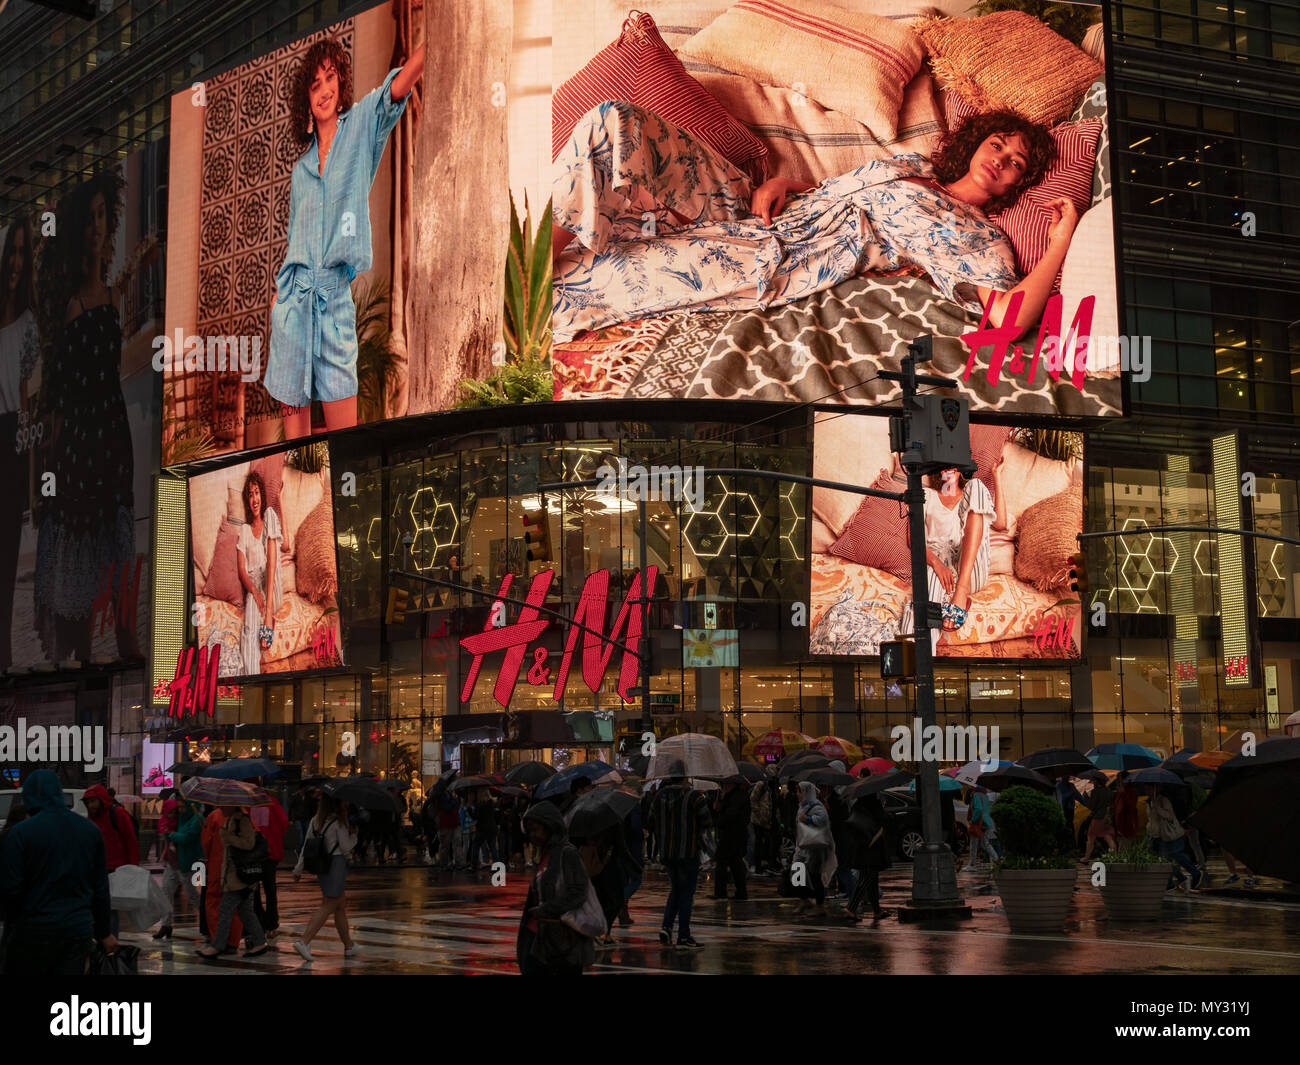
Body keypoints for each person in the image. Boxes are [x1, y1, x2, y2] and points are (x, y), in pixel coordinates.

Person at [554, 103, 1072, 346]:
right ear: (978, 143)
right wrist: (787, 181)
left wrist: (1059, 242)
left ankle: (521, 285)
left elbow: (1008, 320)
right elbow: (842, 187)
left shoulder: (980, 239)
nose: (1002, 160)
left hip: (778, 254)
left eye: (1017, 164)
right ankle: (533, 252)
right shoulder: (917, 165)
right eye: (998, 144)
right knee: (612, 122)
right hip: (750, 204)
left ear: (1015, 187)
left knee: (593, 273)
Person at [267, 36, 425, 438]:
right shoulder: (300, 171)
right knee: (295, 451)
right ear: (307, 96)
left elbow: (400, 86)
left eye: (330, 77)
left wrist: (433, 42)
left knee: (344, 445)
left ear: (342, 83)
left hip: (334, 302)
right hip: (292, 306)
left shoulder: (360, 128)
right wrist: (278, 302)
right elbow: (293, 241)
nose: (324, 89)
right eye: (315, 83)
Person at [34, 169, 152, 663]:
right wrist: (49, 477)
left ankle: (128, 653)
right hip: (79, 451)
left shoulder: (109, 294)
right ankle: (81, 669)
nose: (97, 227)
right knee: (80, 576)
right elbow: (56, 399)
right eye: (89, 218)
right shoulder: (68, 304)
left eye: (104, 216)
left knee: (119, 551)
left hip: (113, 441)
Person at [0, 770, 115, 975]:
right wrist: (104, 932)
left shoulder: (20, 833)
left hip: (32, 931)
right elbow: (100, 888)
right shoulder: (89, 831)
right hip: (75, 931)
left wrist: (13, 925)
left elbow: (10, 889)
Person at [899, 454, 1006, 650]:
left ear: (961, 470)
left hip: (970, 566)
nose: (949, 469)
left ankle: (961, 592)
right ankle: (915, 661)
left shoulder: (972, 494)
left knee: (977, 485)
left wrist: (996, 476)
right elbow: (913, 539)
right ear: (938, 471)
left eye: (954, 466)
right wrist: (936, 563)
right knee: (927, 588)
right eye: (944, 466)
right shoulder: (926, 495)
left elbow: (1001, 523)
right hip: (938, 563)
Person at [0, 217, 37, 671]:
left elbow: (26, 396)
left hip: (9, 434)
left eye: (23, 254)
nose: (15, 261)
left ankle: (4, 650)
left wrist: (29, 474)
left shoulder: (28, 325)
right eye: (12, 251)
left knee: (7, 549)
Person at [516, 803, 595, 976]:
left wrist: (547, 909)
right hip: (536, 934)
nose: (532, 835)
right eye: (529, 831)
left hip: (558, 939)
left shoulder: (568, 854)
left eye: (536, 830)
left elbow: (578, 892)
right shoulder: (545, 853)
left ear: (550, 827)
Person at [647, 763, 713, 949]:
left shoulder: (659, 796)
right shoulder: (694, 797)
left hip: (667, 853)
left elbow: (650, 821)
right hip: (688, 852)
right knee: (686, 893)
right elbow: (707, 821)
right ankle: (683, 935)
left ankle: (667, 927)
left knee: (676, 889)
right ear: (685, 777)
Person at [196, 804, 268, 959]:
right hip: (233, 874)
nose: (220, 808)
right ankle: (259, 942)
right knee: (244, 911)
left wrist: (228, 838)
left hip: (238, 875)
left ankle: (218, 945)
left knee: (224, 909)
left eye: (223, 805)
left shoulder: (242, 820)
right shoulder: (231, 820)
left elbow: (249, 844)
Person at [292, 794, 359, 960]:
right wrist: (354, 835)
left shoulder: (316, 820)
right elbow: (345, 847)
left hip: (321, 865)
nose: (345, 803)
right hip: (336, 864)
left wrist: (298, 869)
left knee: (340, 905)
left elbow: (306, 845)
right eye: (343, 800)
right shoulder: (338, 822)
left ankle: (348, 945)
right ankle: (304, 941)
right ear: (338, 803)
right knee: (330, 904)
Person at [235, 471, 282, 675]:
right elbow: (241, 570)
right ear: (247, 500)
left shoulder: (269, 517)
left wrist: (280, 500)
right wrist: (254, 591)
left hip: (273, 585)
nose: (254, 499)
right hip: (256, 587)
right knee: (248, 629)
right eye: (250, 495)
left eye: (257, 493)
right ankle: (251, 678)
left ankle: (269, 615)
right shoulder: (244, 530)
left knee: (272, 513)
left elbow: (285, 544)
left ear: (262, 495)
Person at [156, 796, 203, 939]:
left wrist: (171, 835)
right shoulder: (181, 819)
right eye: (179, 808)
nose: (180, 811)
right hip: (173, 862)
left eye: (182, 808)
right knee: (166, 892)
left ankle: (207, 919)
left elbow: (185, 837)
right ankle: (166, 925)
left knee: (191, 893)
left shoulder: (196, 819)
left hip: (187, 862)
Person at [843, 794, 892, 922]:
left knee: (872, 878)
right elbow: (883, 819)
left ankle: (877, 910)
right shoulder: (873, 803)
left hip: (862, 844)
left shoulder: (858, 804)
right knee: (866, 877)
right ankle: (851, 908)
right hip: (872, 845)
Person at [249, 786, 289, 940]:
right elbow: (284, 822)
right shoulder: (272, 802)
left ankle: (259, 922)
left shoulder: (249, 805)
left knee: (255, 892)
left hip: (254, 853)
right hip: (271, 852)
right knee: (270, 890)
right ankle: (272, 924)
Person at [201, 805, 242, 952]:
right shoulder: (243, 815)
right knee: (235, 905)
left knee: (213, 903)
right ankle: (233, 941)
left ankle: (218, 940)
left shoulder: (214, 816)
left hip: (217, 866)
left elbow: (206, 843)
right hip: (237, 868)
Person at [793, 781, 837, 915]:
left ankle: (819, 905)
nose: (798, 794)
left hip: (815, 847)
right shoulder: (802, 806)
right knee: (797, 873)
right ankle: (804, 899)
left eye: (800, 791)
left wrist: (808, 819)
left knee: (814, 875)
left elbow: (823, 819)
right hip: (803, 846)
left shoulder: (816, 805)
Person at [1146, 786, 1201, 891]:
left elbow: (1169, 816)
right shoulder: (1149, 802)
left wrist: (1157, 808)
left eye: (1149, 788)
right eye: (1146, 789)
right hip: (1155, 836)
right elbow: (1151, 819)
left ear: (1156, 789)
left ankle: (1191, 874)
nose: (1147, 791)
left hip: (1166, 835)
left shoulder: (1163, 800)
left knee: (1170, 859)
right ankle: (1174, 881)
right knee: (1165, 860)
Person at [712, 777, 750, 901]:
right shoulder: (732, 795)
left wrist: (720, 815)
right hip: (732, 834)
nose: (723, 786)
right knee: (734, 863)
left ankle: (722, 892)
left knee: (724, 862)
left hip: (733, 834)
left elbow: (731, 814)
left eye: (725, 783)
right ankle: (740, 892)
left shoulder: (738, 796)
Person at [1079, 778, 1116, 862]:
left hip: (1098, 818)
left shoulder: (1096, 792)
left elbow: (1092, 806)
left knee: (1090, 838)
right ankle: (1115, 856)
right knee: (1108, 837)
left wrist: (1086, 797)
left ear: (1096, 782)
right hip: (1107, 817)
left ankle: (1086, 857)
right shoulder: (1109, 791)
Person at [966, 786, 1000, 869]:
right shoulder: (985, 796)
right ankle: (996, 859)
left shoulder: (976, 795)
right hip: (986, 821)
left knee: (974, 843)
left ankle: (972, 865)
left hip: (978, 822)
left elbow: (978, 809)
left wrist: (973, 820)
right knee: (985, 843)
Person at [471, 789, 499, 872]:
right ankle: (496, 866)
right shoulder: (492, 804)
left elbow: (475, 816)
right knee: (493, 847)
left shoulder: (480, 805)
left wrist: (470, 810)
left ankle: (474, 865)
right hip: (492, 828)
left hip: (482, 829)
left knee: (476, 845)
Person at [1112, 771, 1139, 844]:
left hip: (1127, 826)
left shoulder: (1131, 791)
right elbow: (1115, 807)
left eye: (1119, 780)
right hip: (1118, 826)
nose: (1118, 782)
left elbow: (1131, 807)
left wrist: (1123, 794)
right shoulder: (1118, 792)